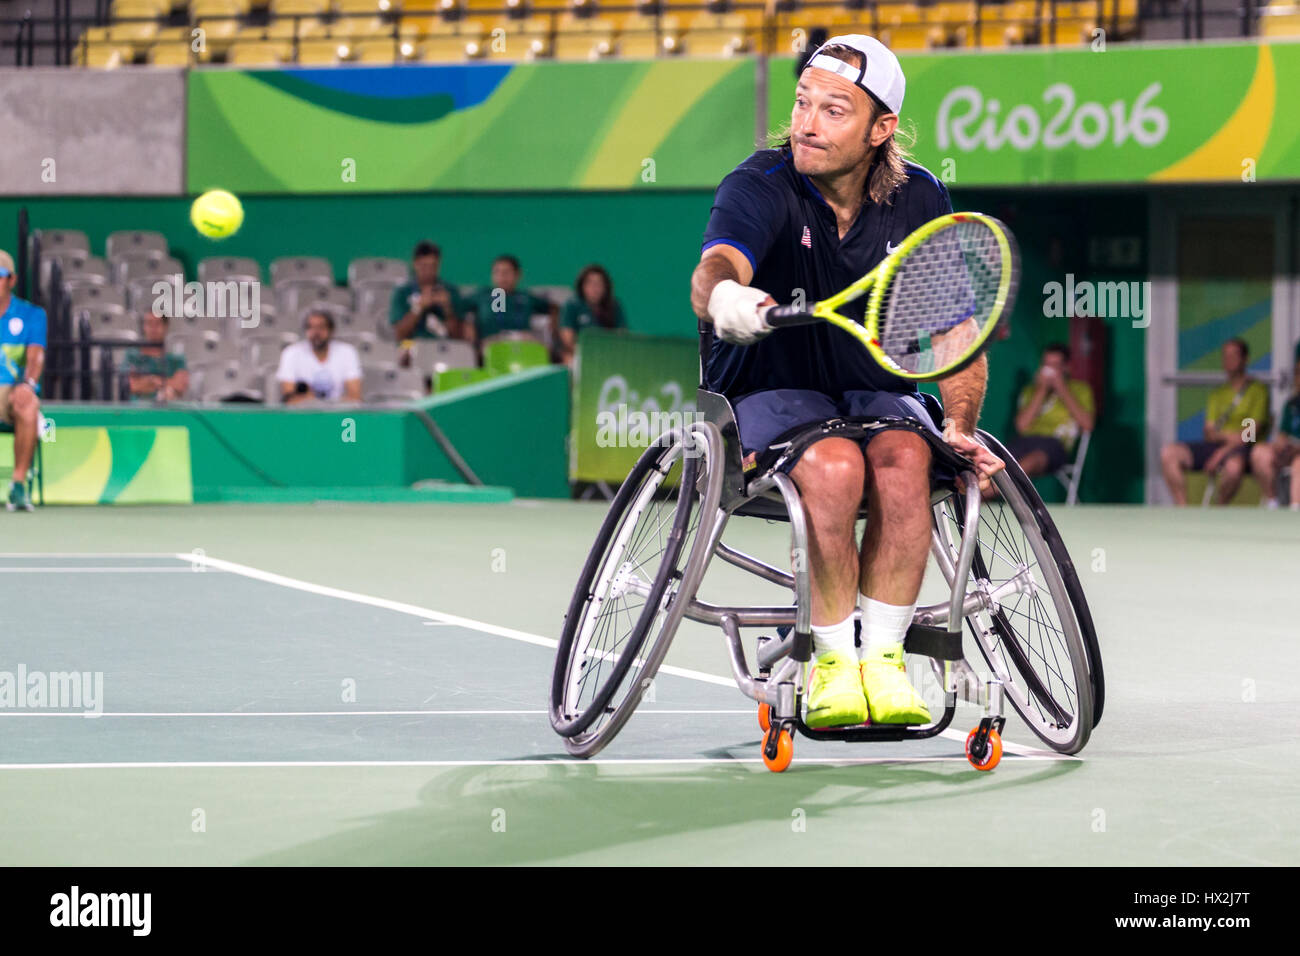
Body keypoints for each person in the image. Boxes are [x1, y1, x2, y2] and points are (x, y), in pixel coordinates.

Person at [689, 35, 1003, 729]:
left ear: (880, 129)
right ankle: (831, 660)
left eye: (834, 110)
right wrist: (729, 302)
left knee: (907, 460)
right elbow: (714, 268)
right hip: (766, 389)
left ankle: (882, 660)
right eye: (803, 103)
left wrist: (959, 425)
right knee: (834, 469)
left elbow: (956, 335)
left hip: (871, 390)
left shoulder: (919, 196)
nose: (807, 122)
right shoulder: (760, 184)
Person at [1160, 338, 1270, 506]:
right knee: (1169, 452)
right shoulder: (1218, 394)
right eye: (1225, 356)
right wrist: (1227, 438)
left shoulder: (1257, 391)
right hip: (1215, 446)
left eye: (1233, 356)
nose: (1228, 360)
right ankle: (1182, 509)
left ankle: (1219, 509)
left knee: (1233, 467)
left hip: (1244, 449)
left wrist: (1221, 452)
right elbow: (1209, 432)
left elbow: (1248, 435)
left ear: (1245, 359)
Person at [1004, 342, 1094, 482]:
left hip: (1056, 446)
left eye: (1055, 366)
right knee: (998, 459)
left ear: (1066, 367)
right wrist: (1042, 390)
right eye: (1046, 365)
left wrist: (1061, 388)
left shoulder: (1080, 390)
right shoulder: (1030, 391)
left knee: (1033, 459)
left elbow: (1087, 425)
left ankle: (988, 494)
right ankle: (984, 494)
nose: (1049, 370)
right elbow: (1021, 426)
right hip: (1026, 441)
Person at [0, 249, 46, 513]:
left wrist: (28, 383)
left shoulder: (32, 315)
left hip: (10, 392)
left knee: (28, 402)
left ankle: (18, 485)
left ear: (12, 280)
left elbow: (35, 358)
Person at [463, 255, 556, 346]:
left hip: (522, 344)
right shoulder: (482, 295)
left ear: (518, 274)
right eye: (497, 272)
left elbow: (554, 309)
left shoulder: (526, 297)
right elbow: (457, 309)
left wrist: (553, 328)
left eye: (506, 272)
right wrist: (467, 323)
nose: (501, 277)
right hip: (489, 346)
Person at [277, 310, 362, 405]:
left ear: (331, 330)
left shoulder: (347, 352)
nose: (316, 332)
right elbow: (289, 399)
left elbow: (355, 398)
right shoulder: (291, 353)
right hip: (304, 416)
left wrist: (324, 405)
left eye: (321, 327)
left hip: (337, 415)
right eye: (310, 327)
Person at [1249, 355, 1300, 510]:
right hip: (1289, 451)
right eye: (1297, 373)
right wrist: (1281, 444)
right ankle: (1273, 503)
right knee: (1260, 452)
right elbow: (1283, 433)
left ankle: (1295, 508)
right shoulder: (1291, 404)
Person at [389, 240, 465, 342]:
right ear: (415, 264)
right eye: (424, 266)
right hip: (410, 345)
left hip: (444, 347)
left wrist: (448, 309)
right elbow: (399, 335)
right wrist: (418, 308)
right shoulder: (402, 292)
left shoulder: (451, 291)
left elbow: (459, 338)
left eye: (433, 266)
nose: (429, 271)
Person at [557, 264, 625, 365]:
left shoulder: (614, 305)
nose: (595, 288)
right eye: (590, 283)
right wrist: (589, 354)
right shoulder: (572, 305)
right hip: (579, 355)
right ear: (582, 286)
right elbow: (568, 339)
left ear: (605, 287)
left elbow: (621, 334)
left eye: (599, 284)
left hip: (609, 355)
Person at [124, 311, 189, 403]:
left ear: (166, 326)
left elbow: (180, 385)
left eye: (158, 323)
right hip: (137, 410)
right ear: (143, 326)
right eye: (149, 323)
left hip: (168, 409)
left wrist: (152, 381)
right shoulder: (132, 355)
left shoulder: (176, 357)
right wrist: (167, 383)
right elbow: (130, 385)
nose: (153, 328)